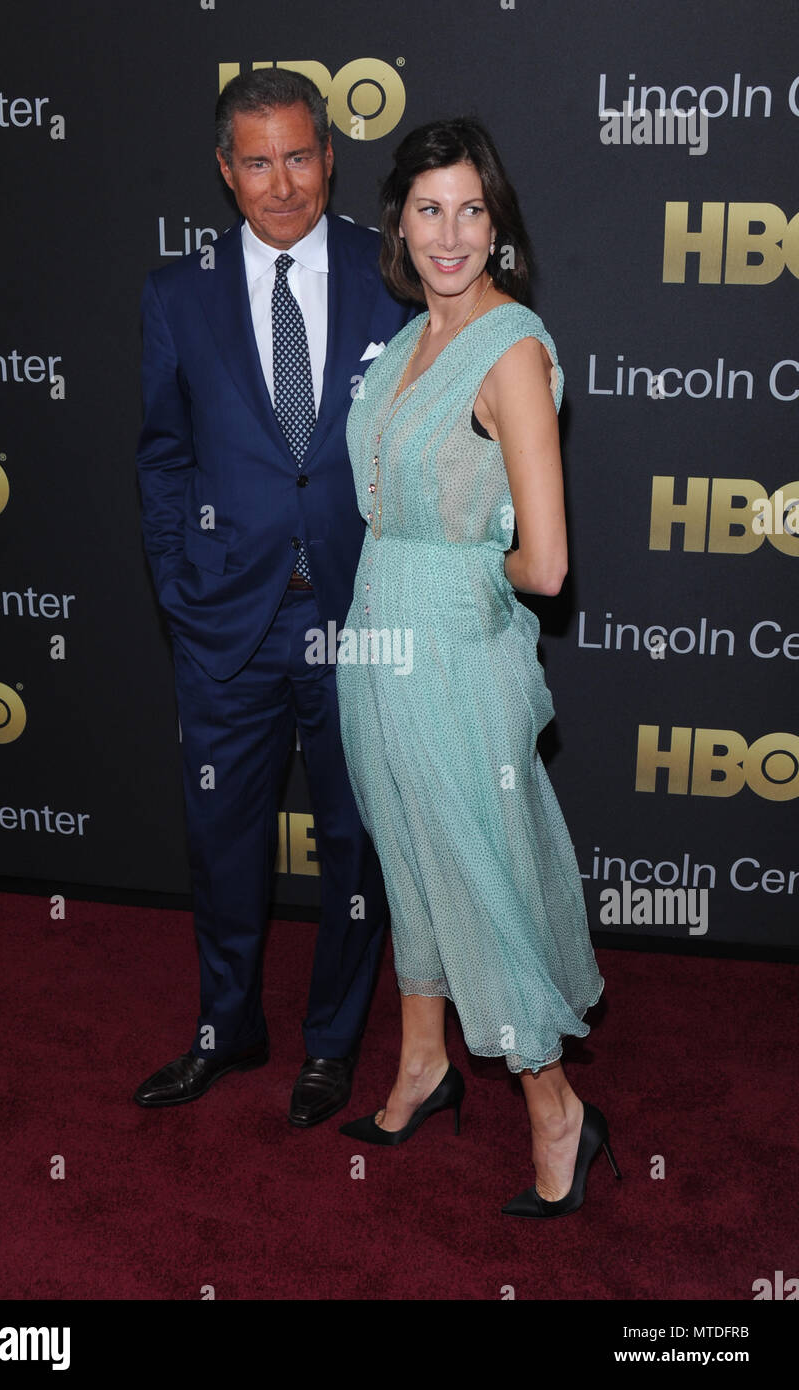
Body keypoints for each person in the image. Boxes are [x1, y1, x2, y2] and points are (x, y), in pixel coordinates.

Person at [335, 117, 620, 1217]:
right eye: (428, 210)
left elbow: (545, 563)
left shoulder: (509, 349)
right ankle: (422, 1062)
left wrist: (453, 580)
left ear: (497, 225)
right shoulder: (412, 335)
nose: (449, 235)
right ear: (399, 223)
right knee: (409, 861)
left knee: (476, 880)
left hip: (455, 654)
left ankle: (557, 1111)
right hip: (378, 643)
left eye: (470, 210)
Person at [132, 69, 414, 1126]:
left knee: (355, 842)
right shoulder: (178, 293)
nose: (282, 183)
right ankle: (227, 1029)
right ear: (226, 170)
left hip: (359, 614)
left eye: (299, 155)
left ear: (329, 156)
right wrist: (180, 587)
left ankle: (331, 1044)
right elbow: (163, 457)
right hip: (228, 620)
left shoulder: (392, 271)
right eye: (258, 162)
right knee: (224, 843)